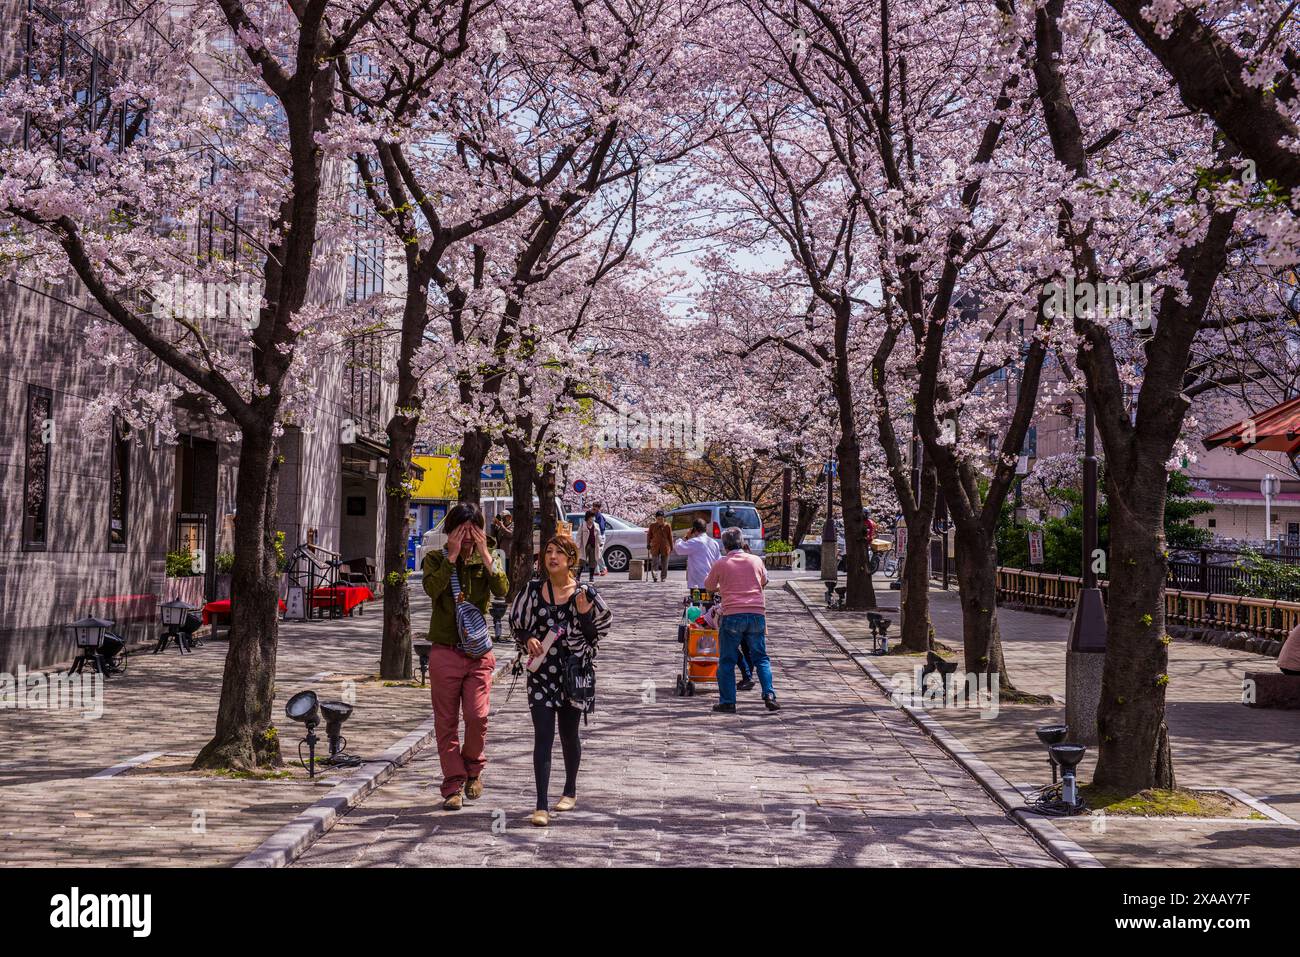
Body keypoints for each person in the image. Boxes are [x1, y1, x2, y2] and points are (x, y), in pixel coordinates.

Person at [510, 535, 612, 827]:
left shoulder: (585, 593)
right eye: (548, 552)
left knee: (569, 735)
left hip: (573, 674)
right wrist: (528, 638)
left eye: (559, 552)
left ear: (570, 559)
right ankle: (541, 804)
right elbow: (518, 625)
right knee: (543, 737)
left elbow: (596, 636)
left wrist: (583, 615)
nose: (552, 556)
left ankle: (569, 789)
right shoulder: (531, 591)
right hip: (541, 674)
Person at [421, 502, 509, 810]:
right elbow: (432, 589)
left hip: (478, 653)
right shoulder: (435, 558)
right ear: (450, 532)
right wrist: (453, 556)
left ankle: (474, 770)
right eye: (463, 532)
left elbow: (502, 588)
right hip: (445, 649)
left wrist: (485, 555)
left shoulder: (491, 557)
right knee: (446, 723)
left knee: (477, 715)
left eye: (474, 532)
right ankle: (453, 785)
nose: (469, 539)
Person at [705, 526, 779, 713]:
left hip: (732, 614)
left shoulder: (721, 563)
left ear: (724, 545)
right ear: (742, 541)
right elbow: (764, 581)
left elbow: (709, 586)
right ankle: (769, 695)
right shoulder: (755, 560)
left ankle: (728, 701)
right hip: (756, 613)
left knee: (727, 660)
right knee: (761, 657)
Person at [673, 517, 720, 591]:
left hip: (697, 584)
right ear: (705, 529)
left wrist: (686, 537)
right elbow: (718, 562)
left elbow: (678, 548)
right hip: (711, 582)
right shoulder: (714, 543)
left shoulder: (694, 542)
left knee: (697, 602)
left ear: (694, 529)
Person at [646, 510, 673, 582]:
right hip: (655, 546)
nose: (660, 520)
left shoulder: (667, 526)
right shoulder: (652, 526)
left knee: (665, 563)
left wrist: (671, 547)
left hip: (665, 546)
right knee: (654, 562)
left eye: (661, 519)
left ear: (664, 518)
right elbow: (649, 536)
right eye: (658, 519)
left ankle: (663, 577)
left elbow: (670, 537)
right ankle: (655, 576)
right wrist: (648, 544)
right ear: (656, 519)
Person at [577, 510, 603, 583]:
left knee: (593, 561)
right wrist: (577, 545)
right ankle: (578, 576)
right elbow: (579, 536)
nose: (593, 519)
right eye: (591, 517)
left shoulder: (596, 525)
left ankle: (591, 577)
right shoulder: (583, 525)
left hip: (593, 545)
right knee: (582, 561)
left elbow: (598, 535)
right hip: (585, 546)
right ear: (588, 518)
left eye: (593, 517)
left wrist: (600, 542)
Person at [592, 502, 609, 576]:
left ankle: (604, 568)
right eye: (593, 506)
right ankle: (596, 570)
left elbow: (601, 528)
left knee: (598, 553)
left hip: (600, 536)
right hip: (595, 536)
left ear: (599, 508)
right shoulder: (593, 515)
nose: (594, 508)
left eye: (596, 507)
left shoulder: (599, 516)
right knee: (594, 553)